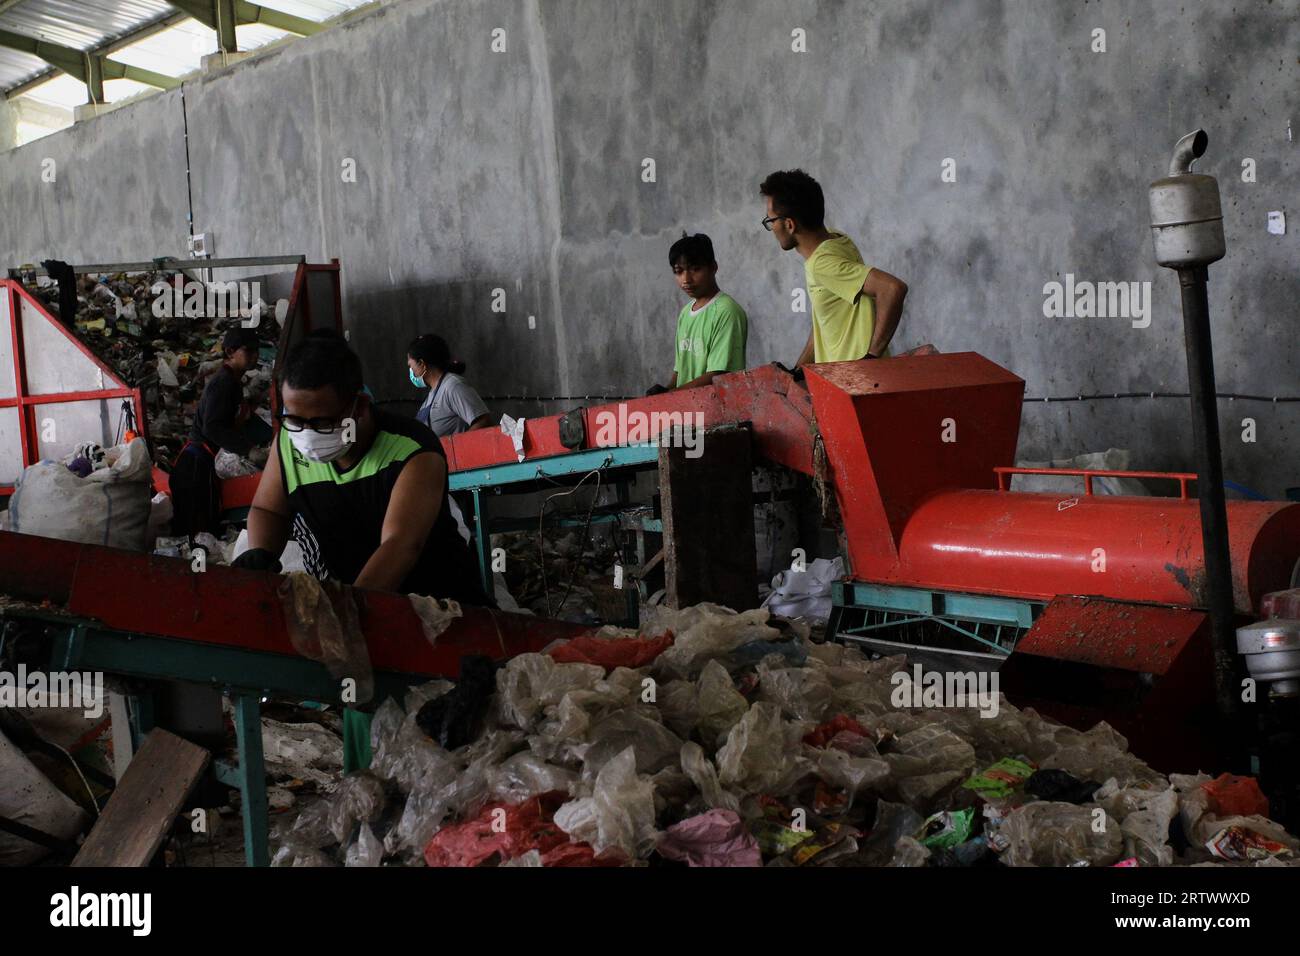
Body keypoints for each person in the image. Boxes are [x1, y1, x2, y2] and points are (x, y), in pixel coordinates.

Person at [760, 169, 909, 368]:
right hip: (844, 381)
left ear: (789, 225)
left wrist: (872, 357)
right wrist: (798, 371)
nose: (771, 229)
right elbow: (825, 320)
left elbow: (892, 289)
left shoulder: (821, 264)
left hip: (855, 383)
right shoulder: (836, 239)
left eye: (771, 221)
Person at [170, 327, 270, 536]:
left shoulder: (233, 382)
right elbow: (213, 427)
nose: (255, 356)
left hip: (201, 463)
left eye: (256, 351)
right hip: (194, 467)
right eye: (248, 351)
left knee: (205, 527)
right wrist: (249, 450)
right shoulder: (223, 383)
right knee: (197, 532)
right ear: (230, 352)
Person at [647, 233, 749, 395]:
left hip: (718, 410)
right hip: (688, 411)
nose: (686, 279)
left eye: (695, 269)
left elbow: (718, 375)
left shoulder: (727, 311)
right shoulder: (686, 313)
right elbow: (680, 370)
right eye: (678, 271)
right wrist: (666, 390)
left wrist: (671, 394)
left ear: (713, 267)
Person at [406, 334, 492, 437]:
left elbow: (483, 422)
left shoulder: (452, 386)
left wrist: (460, 449)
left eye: (410, 366)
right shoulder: (430, 397)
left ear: (421, 364)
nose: (411, 371)